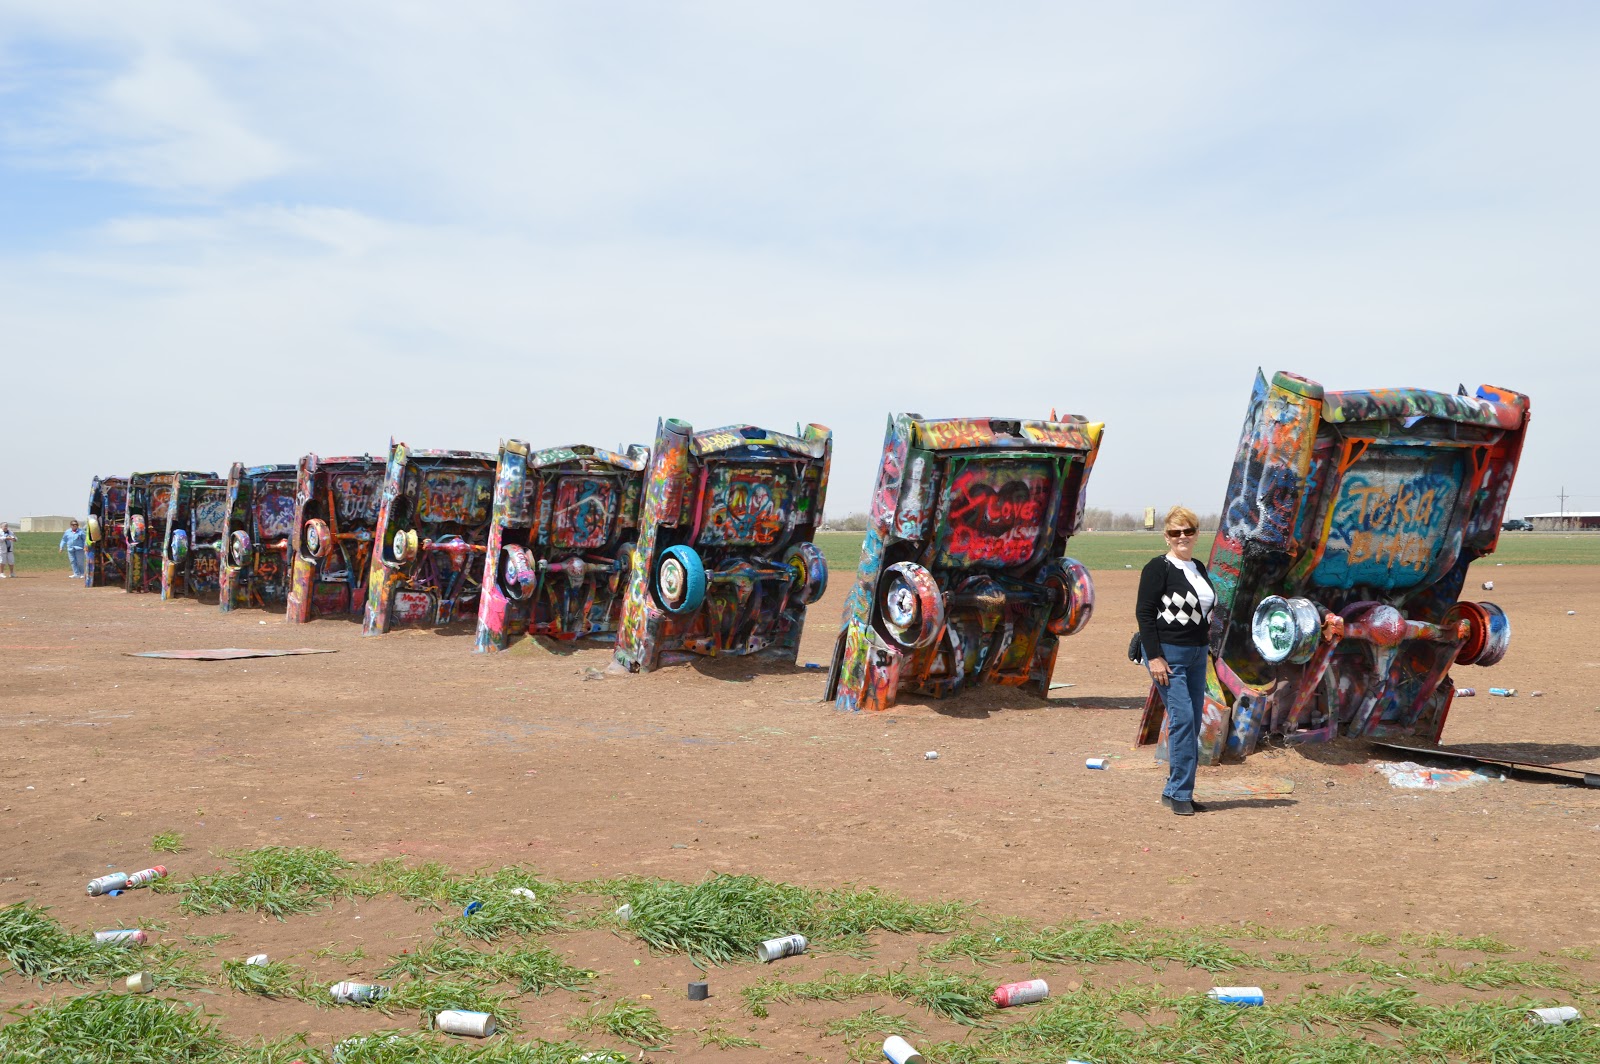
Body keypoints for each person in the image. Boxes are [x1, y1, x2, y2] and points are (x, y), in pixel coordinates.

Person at [1135, 505, 1216, 816]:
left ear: (1196, 534)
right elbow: (1145, 613)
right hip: (1168, 655)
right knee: (1182, 720)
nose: (1182, 536)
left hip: (1197, 654)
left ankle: (1176, 791)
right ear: (1166, 537)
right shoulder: (1159, 568)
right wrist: (1154, 657)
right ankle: (1180, 792)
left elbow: (1204, 613)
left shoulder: (1198, 567)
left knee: (1191, 722)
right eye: (1175, 532)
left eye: (1188, 531)